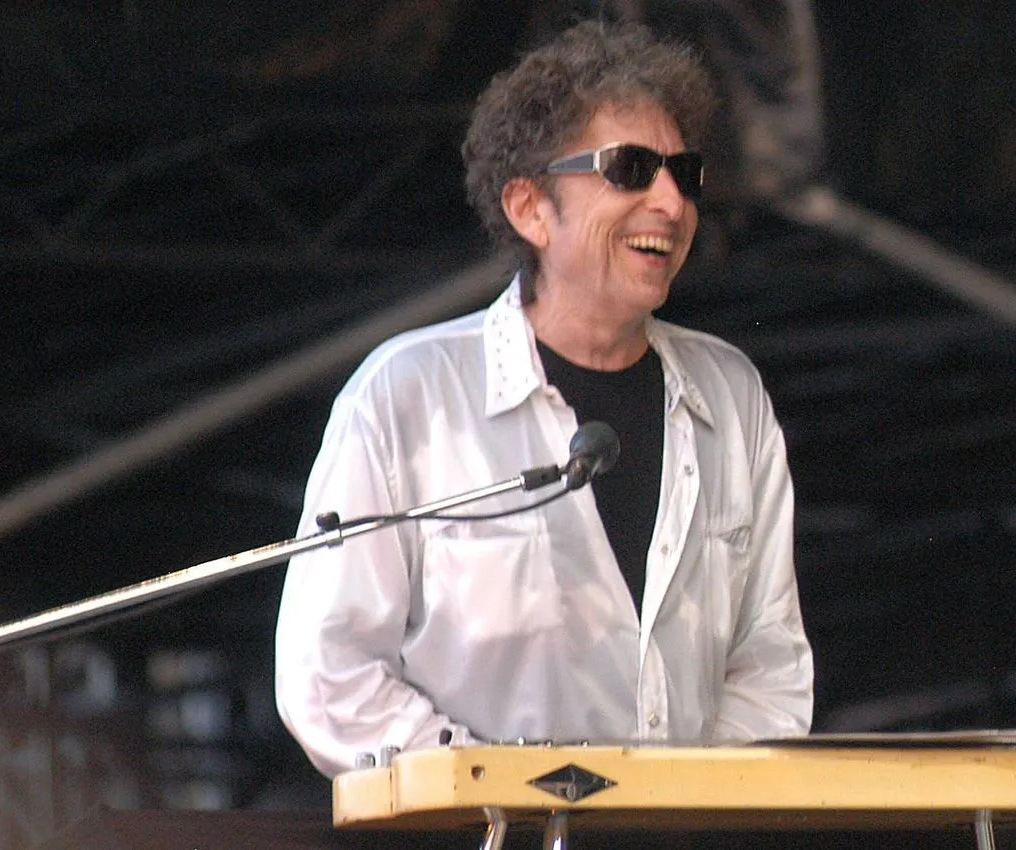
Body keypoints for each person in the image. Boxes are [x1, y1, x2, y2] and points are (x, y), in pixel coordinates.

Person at [274, 19, 813, 779]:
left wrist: (690, 806)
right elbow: (329, 673)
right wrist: (510, 795)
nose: (670, 200)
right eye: (631, 168)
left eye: (684, 173)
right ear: (530, 208)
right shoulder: (410, 395)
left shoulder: (731, 394)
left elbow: (770, 662)